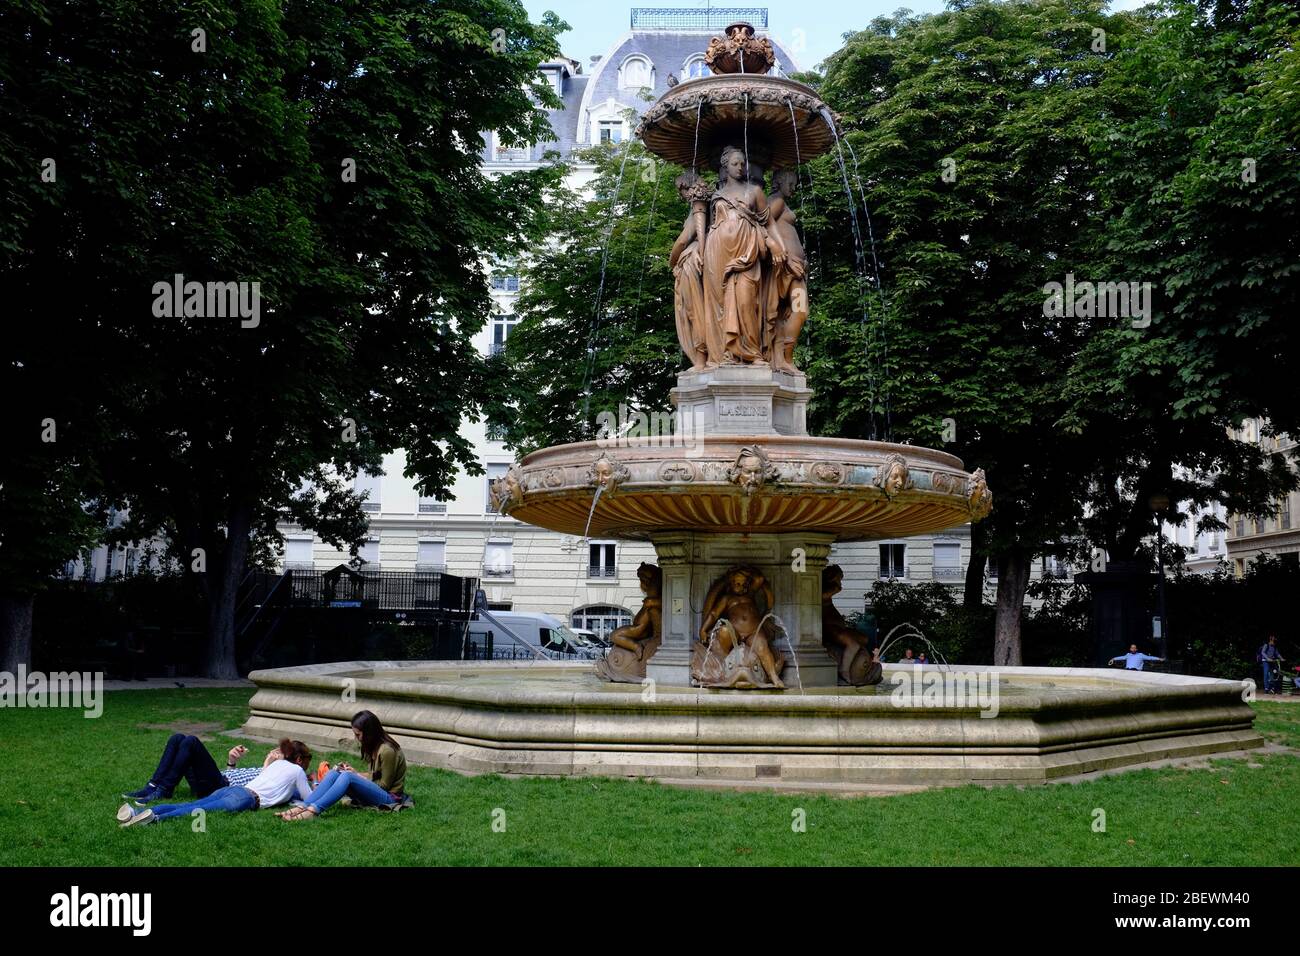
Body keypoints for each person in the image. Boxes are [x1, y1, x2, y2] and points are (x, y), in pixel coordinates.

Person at [118, 739, 312, 827]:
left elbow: (288, 792)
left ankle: (140, 813)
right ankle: (155, 818)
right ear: (299, 761)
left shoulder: (275, 768)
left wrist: (268, 763)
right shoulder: (294, 771)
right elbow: (310, 799)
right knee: (198, 810)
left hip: (232, 789)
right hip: (244, 796)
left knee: (193, 805)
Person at [279, 711, 407, 821]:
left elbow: (385, 786)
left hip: (390, 798)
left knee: (347, 776)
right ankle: (303, 806)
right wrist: (356, 773)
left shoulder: (387, 751)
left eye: (358, 735)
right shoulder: (374, 747)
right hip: (379, 792)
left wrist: (355, 777)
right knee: (335, 773)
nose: (356, 739)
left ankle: (313, 811)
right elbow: (375, 775)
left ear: (369, 732)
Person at [121, 735, 282, 805]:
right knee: (177, 738)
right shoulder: (263, 768)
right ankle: (152, 786)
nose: (274, 752)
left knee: (192, 741)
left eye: (280, 752)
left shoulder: (278, 775)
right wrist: (232, 761)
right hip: (217, 779)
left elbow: (257, 787)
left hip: (219, 788)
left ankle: (164, 789)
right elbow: (234, 777)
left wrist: (269, 764)